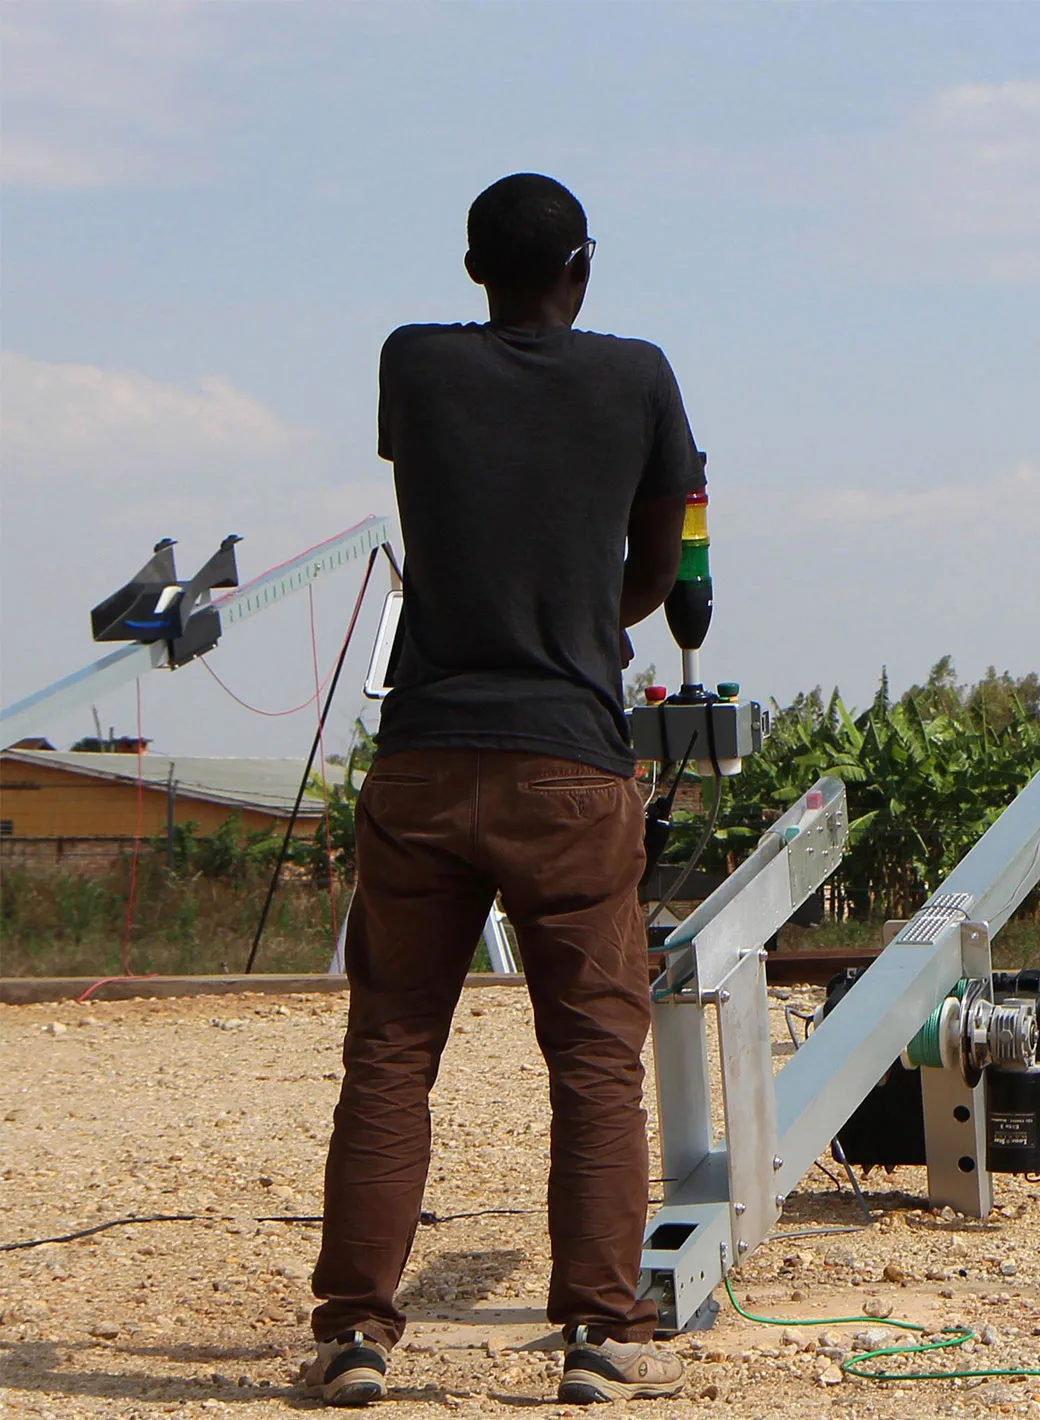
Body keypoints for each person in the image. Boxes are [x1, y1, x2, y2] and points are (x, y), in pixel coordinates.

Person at [303, 173, 698, 1407]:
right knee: (591, 1056)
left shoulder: (413, 363)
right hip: (568, 765)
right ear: (583, 268)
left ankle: (357, 1332)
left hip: (423, 758)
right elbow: (658, 560)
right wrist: (592, 613)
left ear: (473, 269)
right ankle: (593, 1331)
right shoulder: (637, 377)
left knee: (389, 1049)